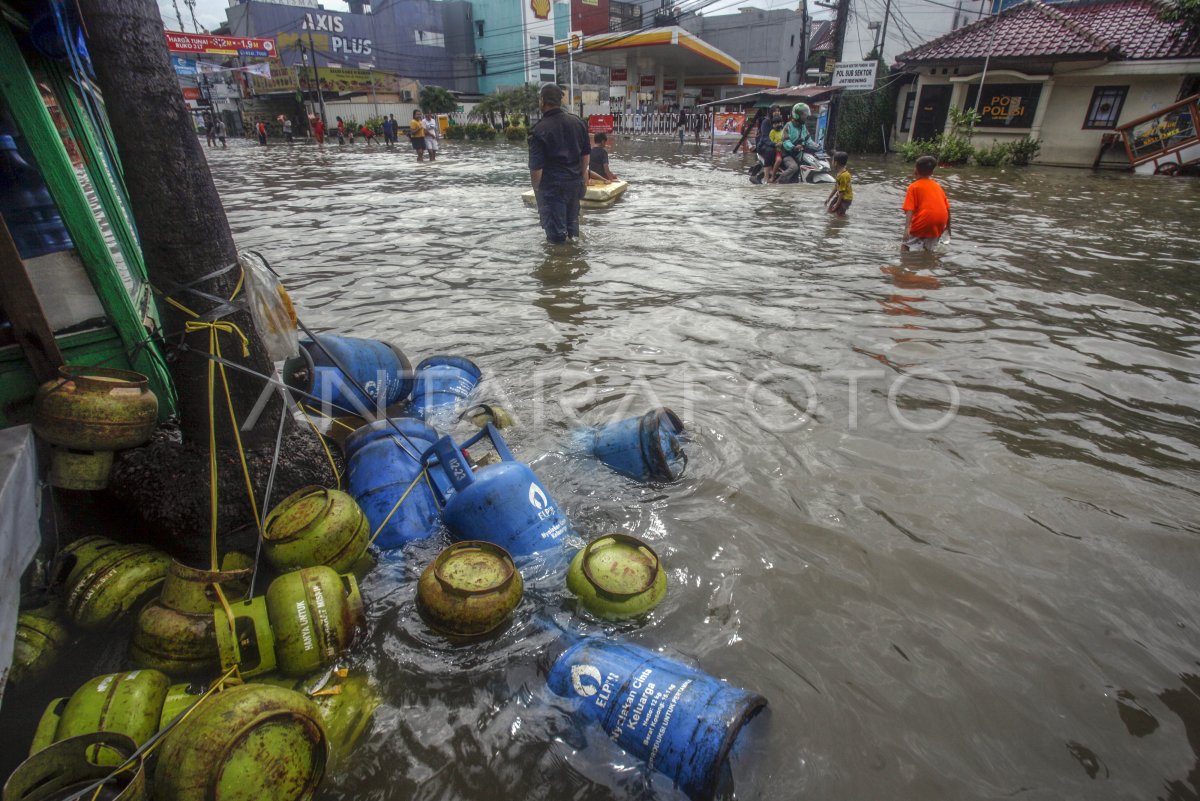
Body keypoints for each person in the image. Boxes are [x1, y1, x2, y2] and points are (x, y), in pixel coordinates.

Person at [528, 83, 590, 244]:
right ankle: (576, 264)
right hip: (575, 185)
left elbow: (536, 169)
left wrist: (537, 191)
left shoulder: (539, 130)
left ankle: (561, 265)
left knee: (556, 239)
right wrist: (581, 179)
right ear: (560, 101)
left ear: (542, 101)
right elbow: (585, 157)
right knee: (572, 232)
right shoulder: (578, 123)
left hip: (553, 189)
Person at [901, 155, 951, 251]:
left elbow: (909, 209)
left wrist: (907, 228)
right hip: (939, 223)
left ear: (915, 171)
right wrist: (948, 227)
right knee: (929, 250)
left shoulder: (913, 187)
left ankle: (904, 264)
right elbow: (948, 209)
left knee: (905, 245)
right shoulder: (938, 186)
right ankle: (928, 263)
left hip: (923, 221)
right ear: (932, 172)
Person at [777, 103, 816, 183]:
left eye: (805, 114)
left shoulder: (803, 126)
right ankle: (778, 183)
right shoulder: (788, 126)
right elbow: (786, 141)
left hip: (799, 154)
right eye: (803, 115)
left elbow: (808, 139)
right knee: (794, 167)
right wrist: (794, 147)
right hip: (788, 154)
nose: (805, 117)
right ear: (797, 115)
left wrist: (817, 146)